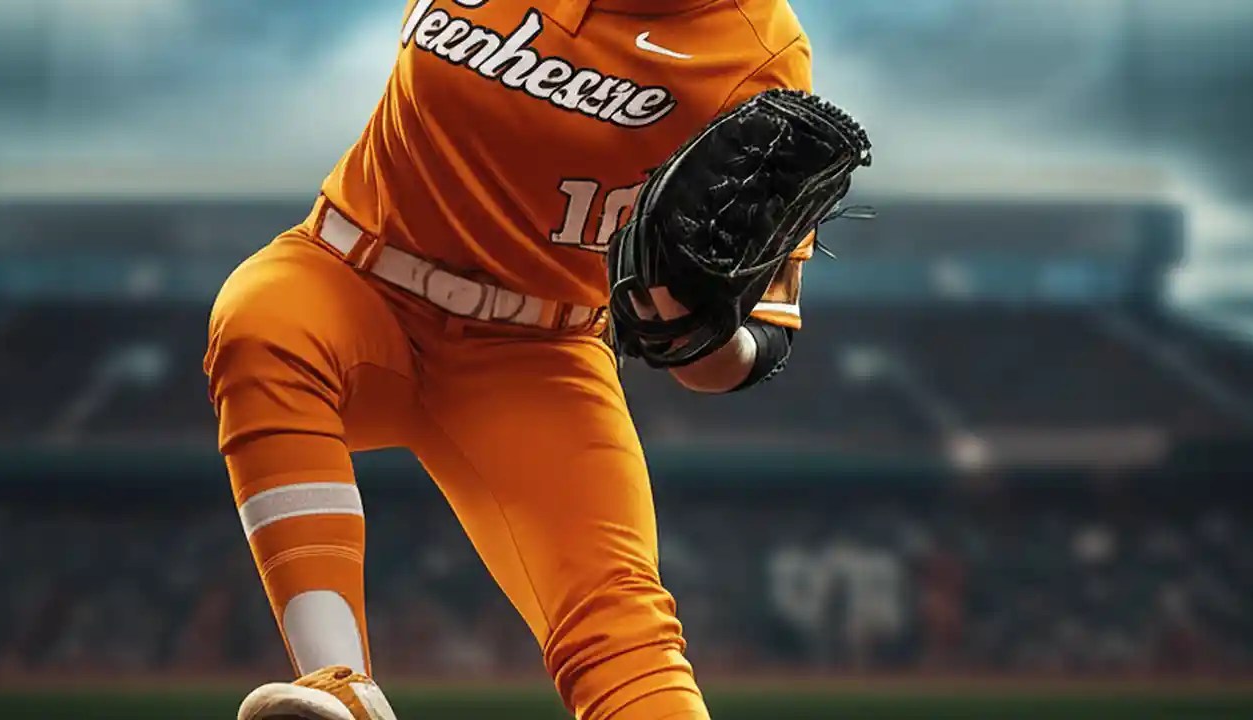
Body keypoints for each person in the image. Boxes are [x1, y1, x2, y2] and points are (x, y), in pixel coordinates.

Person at [206, 1, 815, 718]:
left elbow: (751, 344)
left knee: (619, 628)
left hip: (534, 353)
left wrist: (697, 330)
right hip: (349, 279)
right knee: (263, 322)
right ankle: (341, 690)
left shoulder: (760, 53)